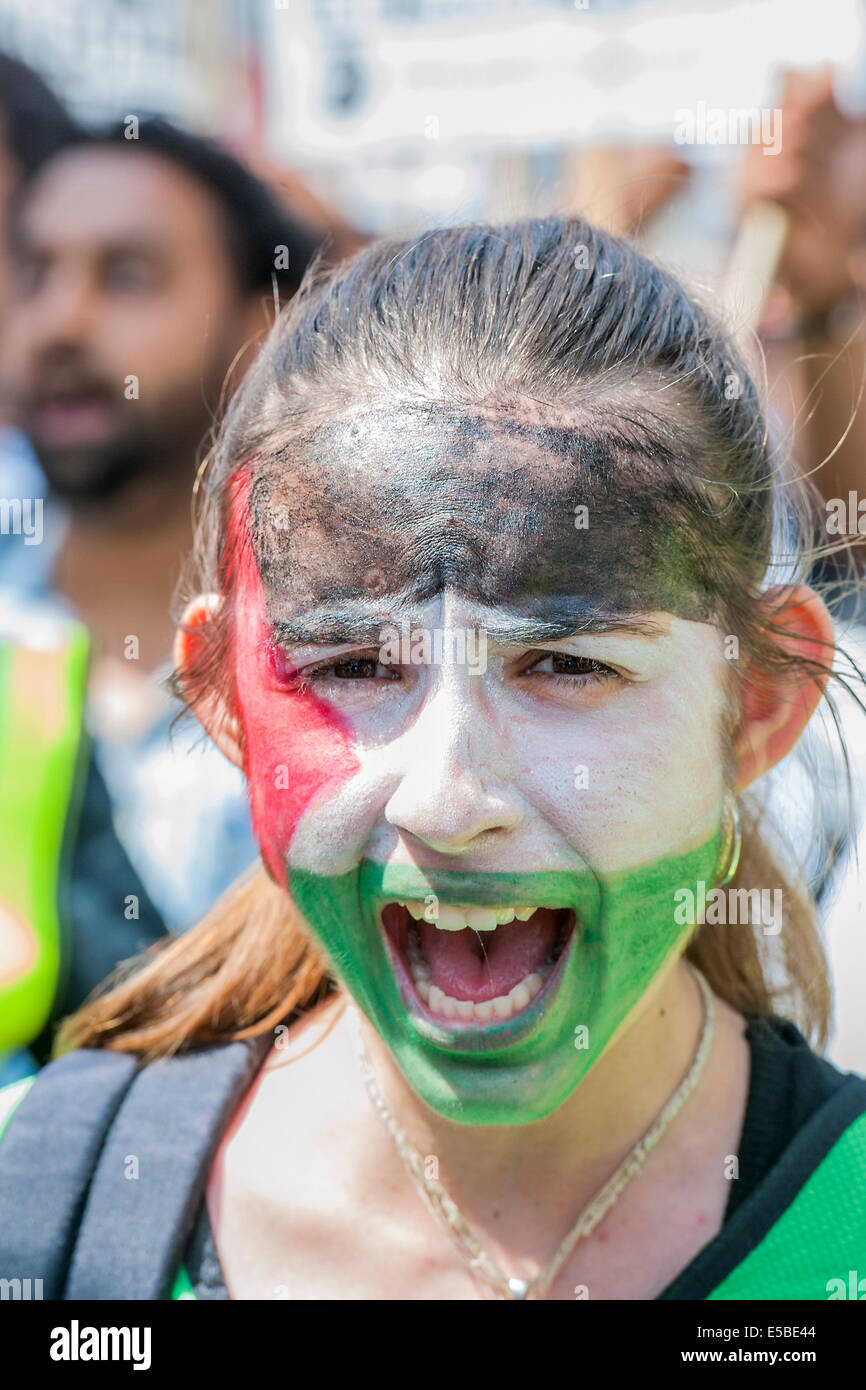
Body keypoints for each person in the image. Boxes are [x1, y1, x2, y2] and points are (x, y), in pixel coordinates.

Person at [0, 216, 864, 1301]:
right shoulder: (44, 1208)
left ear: (756, 705)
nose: (450, 800)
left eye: (565, 663)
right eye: (355, 664)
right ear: (223, 695)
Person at [0, 119, 321, 1078]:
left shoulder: (362, 677)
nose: (62, 321)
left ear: (259, 328)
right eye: (33, 272)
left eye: (128, 275)